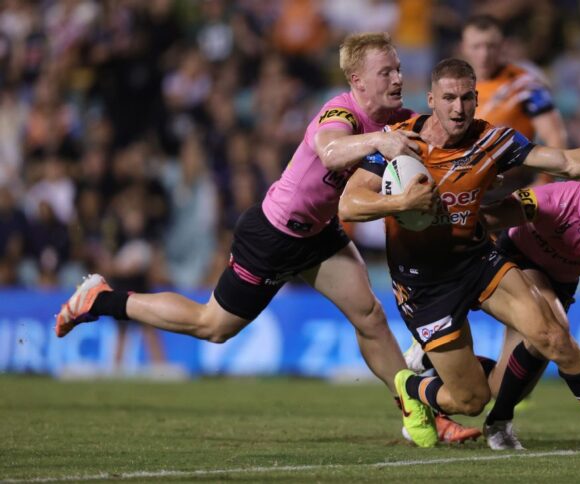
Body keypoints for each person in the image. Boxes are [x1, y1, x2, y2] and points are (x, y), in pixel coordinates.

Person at [54, 32, 441, 447]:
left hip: (319, 234)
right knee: (213, 326)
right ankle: (100, 300)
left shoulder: (398, 120)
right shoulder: (339, 114)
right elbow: (330, 152)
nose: (398, 78)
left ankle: (415, 406)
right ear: (357, 80)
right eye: (386, 72)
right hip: (273, 235)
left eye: (398, 69)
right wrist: (378, 140)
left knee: (370, 316)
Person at [340, 58, 580, 455]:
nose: (459, 108)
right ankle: (410, 386)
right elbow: (349, 204)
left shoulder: (493, 141)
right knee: (472, 400)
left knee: (553, 335)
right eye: (449, 98)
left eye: (467, 98)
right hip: (424, 286)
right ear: (431, 99)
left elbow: (566, 162)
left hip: (477, 261)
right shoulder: (398, 142)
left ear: (477, 99)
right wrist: (402, 202)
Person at [405, 152, 580, 449]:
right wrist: (449, 213)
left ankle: (422, 385)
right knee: (556, 332)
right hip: (516, 260)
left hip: (561, 285)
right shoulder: (553, 198)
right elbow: (494, 216)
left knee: (501, 386)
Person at [460, 15, 568, 200]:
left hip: (512, 188)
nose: (484, 54)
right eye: (476, 46)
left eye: (491, 46)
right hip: (466, 186)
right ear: (463, 47)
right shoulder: (455, 85)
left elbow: (555, 136)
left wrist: (544, 181)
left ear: (503, 46)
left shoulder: (524, 85)